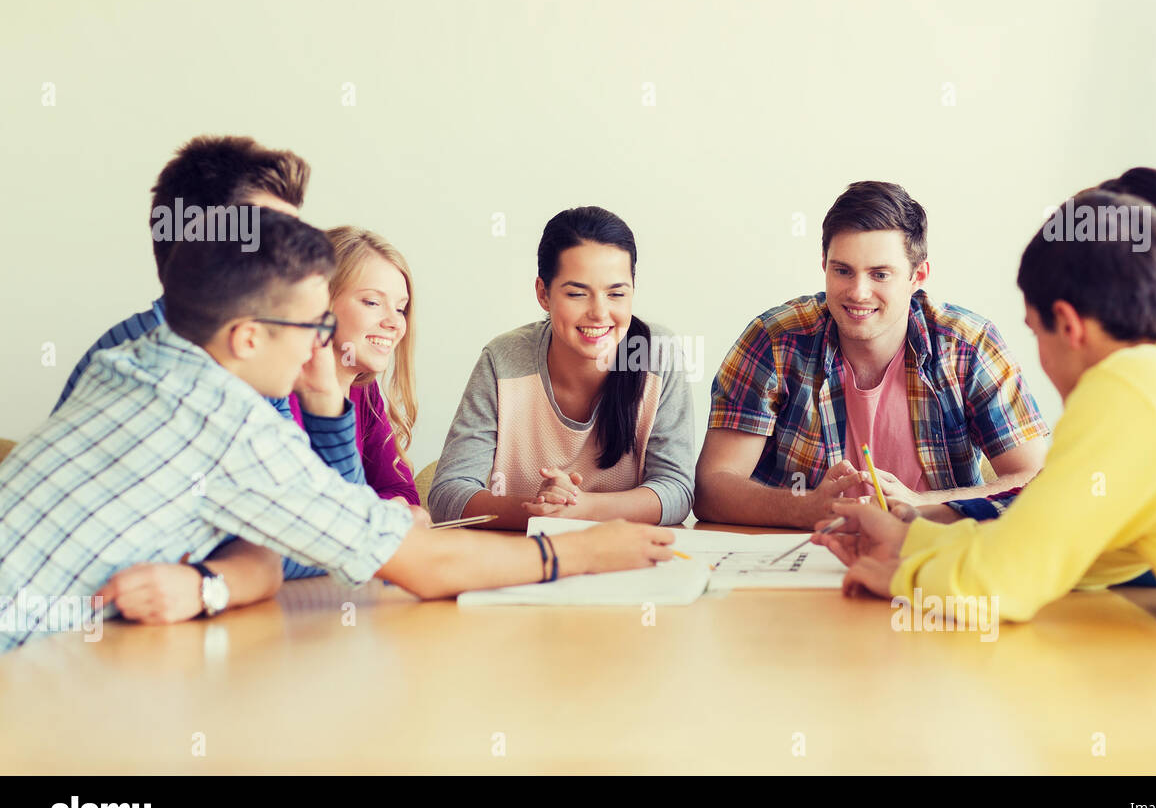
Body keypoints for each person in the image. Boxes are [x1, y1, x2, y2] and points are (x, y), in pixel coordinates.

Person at [0, 210, 673, 651]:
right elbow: (421, 561)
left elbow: (294, 541)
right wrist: (583, 551)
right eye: (311, 327)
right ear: (245, 336)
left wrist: (224, 577)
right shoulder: (233, 428)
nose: (320, 346)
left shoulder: (134, 362)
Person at [813, 189, 1156, 688]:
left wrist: (898, 578)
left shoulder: (1131, 392)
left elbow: (1001, 587)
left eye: (1036, 333)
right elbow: (1077, 554)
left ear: (1067, 324)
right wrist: (913, 541)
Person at [51, 134, 373, 584]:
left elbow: (323, 523)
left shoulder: (254, 360)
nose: (293, 252)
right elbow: (324, 543)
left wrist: (324, 400)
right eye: (270, 235)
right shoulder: (152, 364)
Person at [695, 180, 1049, 530]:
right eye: (842, 271)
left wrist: (921, 503)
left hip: (927, 553)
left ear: (918, 275)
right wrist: (806, 508)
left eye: (880, 274)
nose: (858, 292)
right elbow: (712, 488)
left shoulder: (969, 345)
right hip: (805, 553)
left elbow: (1036, 480)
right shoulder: (775, 339)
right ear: (824, 265)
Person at [429, 206, 695, 530]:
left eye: (616, 293)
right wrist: (536, 511)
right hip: (526, 561)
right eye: (577, 293)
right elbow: (447, 495)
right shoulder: (503, 360)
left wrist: (580, 508)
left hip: (626, 559)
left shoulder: (657, 355)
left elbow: (677, 491)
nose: (599, 313)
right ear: (543, 293)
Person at [287, 227, 428, 519]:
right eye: (372, 302)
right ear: (321, 303)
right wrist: (382, 515)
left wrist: (386, 511)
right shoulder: (281, 392)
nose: (393, 322)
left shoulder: (364, 391)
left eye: (401, 309)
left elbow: (403, 493)